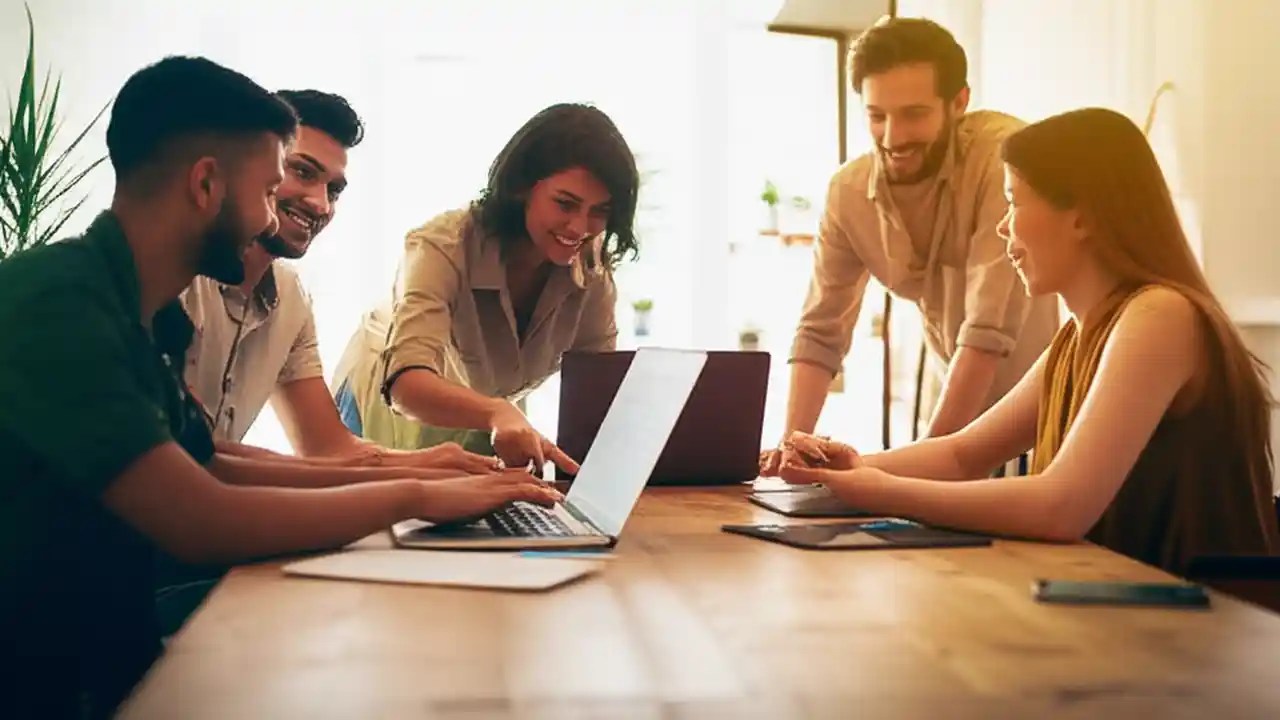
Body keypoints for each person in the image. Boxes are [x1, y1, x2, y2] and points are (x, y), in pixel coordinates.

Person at [0, 56, 557, 717]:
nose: (291, 211)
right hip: (51, 681)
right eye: (270, 189)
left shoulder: (142, 310)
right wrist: (416, 493)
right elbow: (200, 516)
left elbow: (213, 462)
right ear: (206, 184)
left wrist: (423, 486)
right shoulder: (59, 305)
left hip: (107, 645)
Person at [777, 107, 1280, 574]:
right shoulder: (1079, 335)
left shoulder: (1160, 316)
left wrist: (881, 491)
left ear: (1082, 217)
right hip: (1119, 606)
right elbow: (962, 456)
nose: (1002, 225)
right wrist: (848, 466)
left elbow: (1061, 507)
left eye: (1014, 201)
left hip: (1199, 629)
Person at [761, 17, 1059, 474]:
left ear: (959, 102)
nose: (893, 137)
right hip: (954, 419)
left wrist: (928, 464)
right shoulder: (848, 191)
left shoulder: (1002, 160)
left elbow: (986, 330)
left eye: (914, 114)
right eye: (877, 116)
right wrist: (791, 452)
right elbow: (820, 333)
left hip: (1039, 424)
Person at [181, 88, 496, 475]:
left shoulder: (291, 297)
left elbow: (327, 447)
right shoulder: (175, 279)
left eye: (333, 189)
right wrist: (416, 487)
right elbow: (189, 458)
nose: (321, 204)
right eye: (302, 172)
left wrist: (434, 466)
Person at [333, 103, 639, 473]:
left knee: (491, 512)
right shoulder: (441, 245)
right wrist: (497, 411)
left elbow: (598, 395)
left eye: (599, 211)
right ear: (522, 187)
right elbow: (406, 386)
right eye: (565, 204)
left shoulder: (591, 271)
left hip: (493, 405)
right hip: (390, 398)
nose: (580, 227)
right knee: (388, 519)